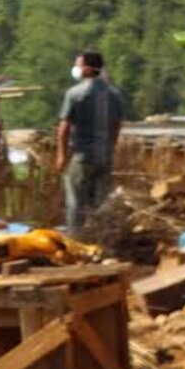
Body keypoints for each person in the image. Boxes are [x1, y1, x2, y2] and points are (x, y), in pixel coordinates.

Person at [55, 49, 124, 234]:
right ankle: (99, 240)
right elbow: (117, 126)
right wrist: (110, 147)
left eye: (78, 65)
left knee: (75, 201)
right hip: (104, 157)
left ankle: (76, 240)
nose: (76, 69)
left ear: (86, 69)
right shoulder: (114, 95)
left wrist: (61, 155)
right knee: (100, 202)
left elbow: (64, 128)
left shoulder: (75, 93)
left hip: (83, 156)